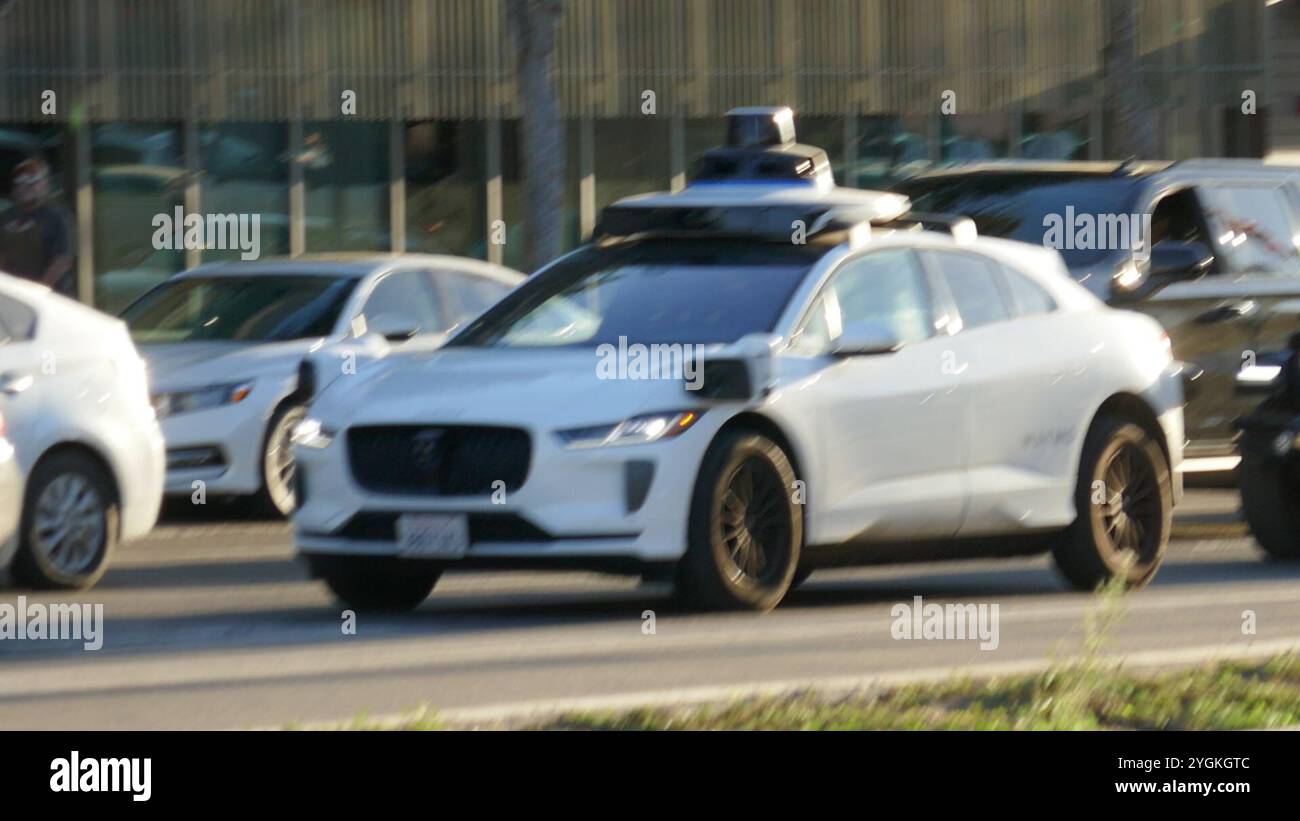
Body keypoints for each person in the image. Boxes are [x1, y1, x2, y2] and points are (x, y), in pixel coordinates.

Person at [0, 157, 75, 295]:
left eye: (33, 180)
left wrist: (38, 290)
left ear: (45, 185)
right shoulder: (6, 218)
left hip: (50, 300)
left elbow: (62, 260)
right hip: (13, 296)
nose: (26, 186)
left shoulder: (58, 216)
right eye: (20, 180)